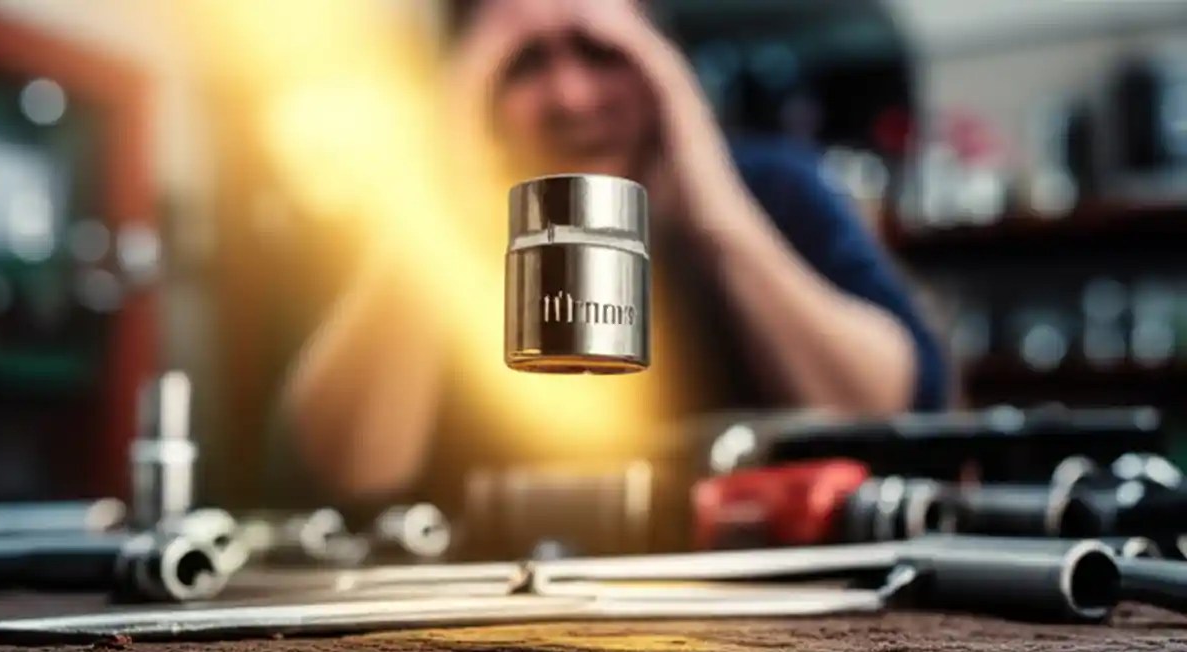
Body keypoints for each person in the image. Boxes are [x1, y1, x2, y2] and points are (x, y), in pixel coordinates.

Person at [280, 0, 947, 509]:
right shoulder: (422, 225)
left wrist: (717, 213)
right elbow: (343, 469)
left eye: (601, 53)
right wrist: (443, 197)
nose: (571, 97)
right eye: (523, 64)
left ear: (664, 62)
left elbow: (894, 410)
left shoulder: (770, 187)